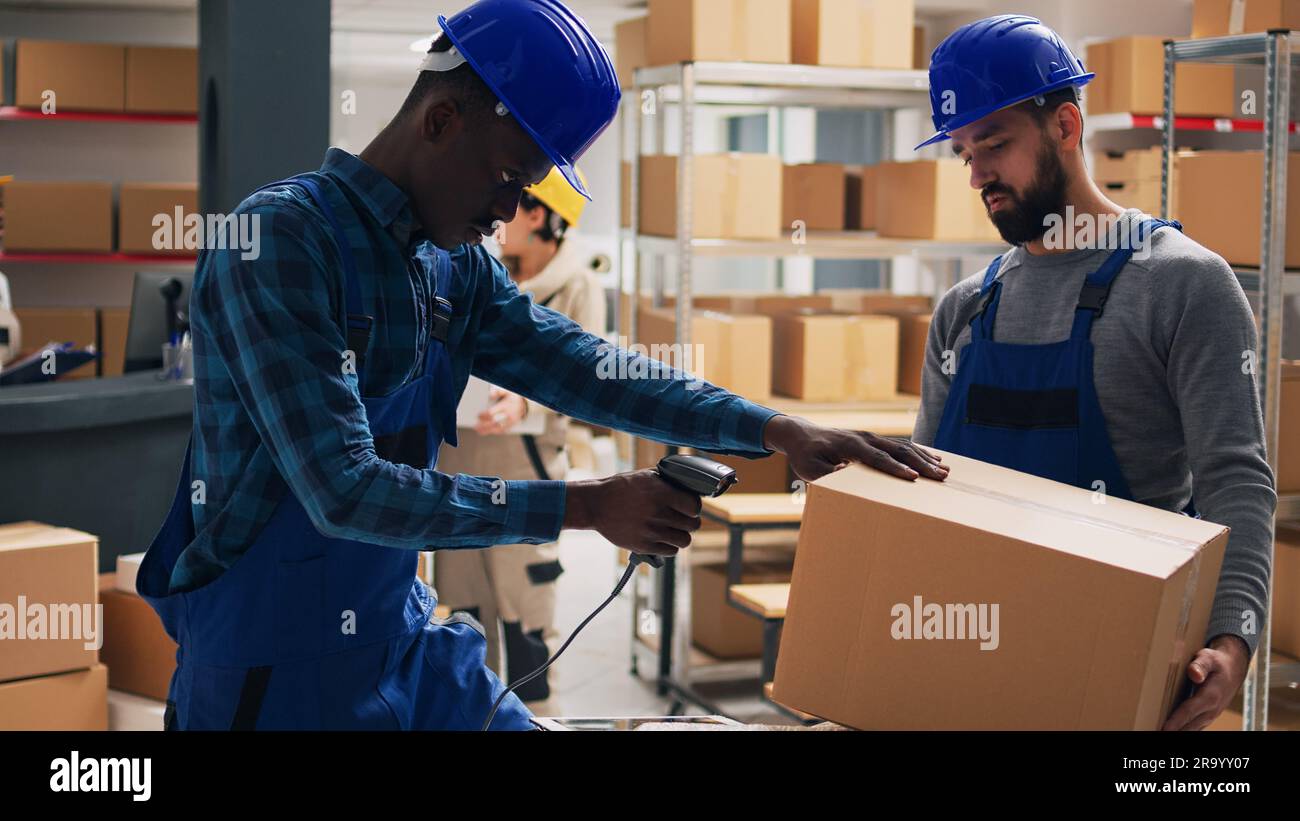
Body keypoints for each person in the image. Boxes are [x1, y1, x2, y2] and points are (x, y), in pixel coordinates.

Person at [136, 0, 947, 731]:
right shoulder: (283, 239)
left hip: (399, 633)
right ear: (441, 118)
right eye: (507, 177)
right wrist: (588, 504)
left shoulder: (451, 266)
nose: (510, 212)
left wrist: (772, 427)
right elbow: (342, 488)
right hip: (270, 669)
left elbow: (592, 370)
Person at [912, 14, 1275, 730]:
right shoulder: (964, 310)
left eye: (995, 144)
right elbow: (926, 499)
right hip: (966, 673)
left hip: (1122, 678)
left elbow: (1236, 479)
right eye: (963, 153)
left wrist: (1233, 641)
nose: (978, 172)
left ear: (1067, 126)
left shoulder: (1185, 284)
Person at [435, 166, 606, 710]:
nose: (502, 213)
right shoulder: (482, 268)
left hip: (526, 463)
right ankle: (472, 712)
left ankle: (532, 713)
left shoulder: (579, 285)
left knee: (523, 597)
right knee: (465, 595)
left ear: (539, 216)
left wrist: (526, 400)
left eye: (517, 201)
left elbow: (589, 377)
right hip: (460, 456)